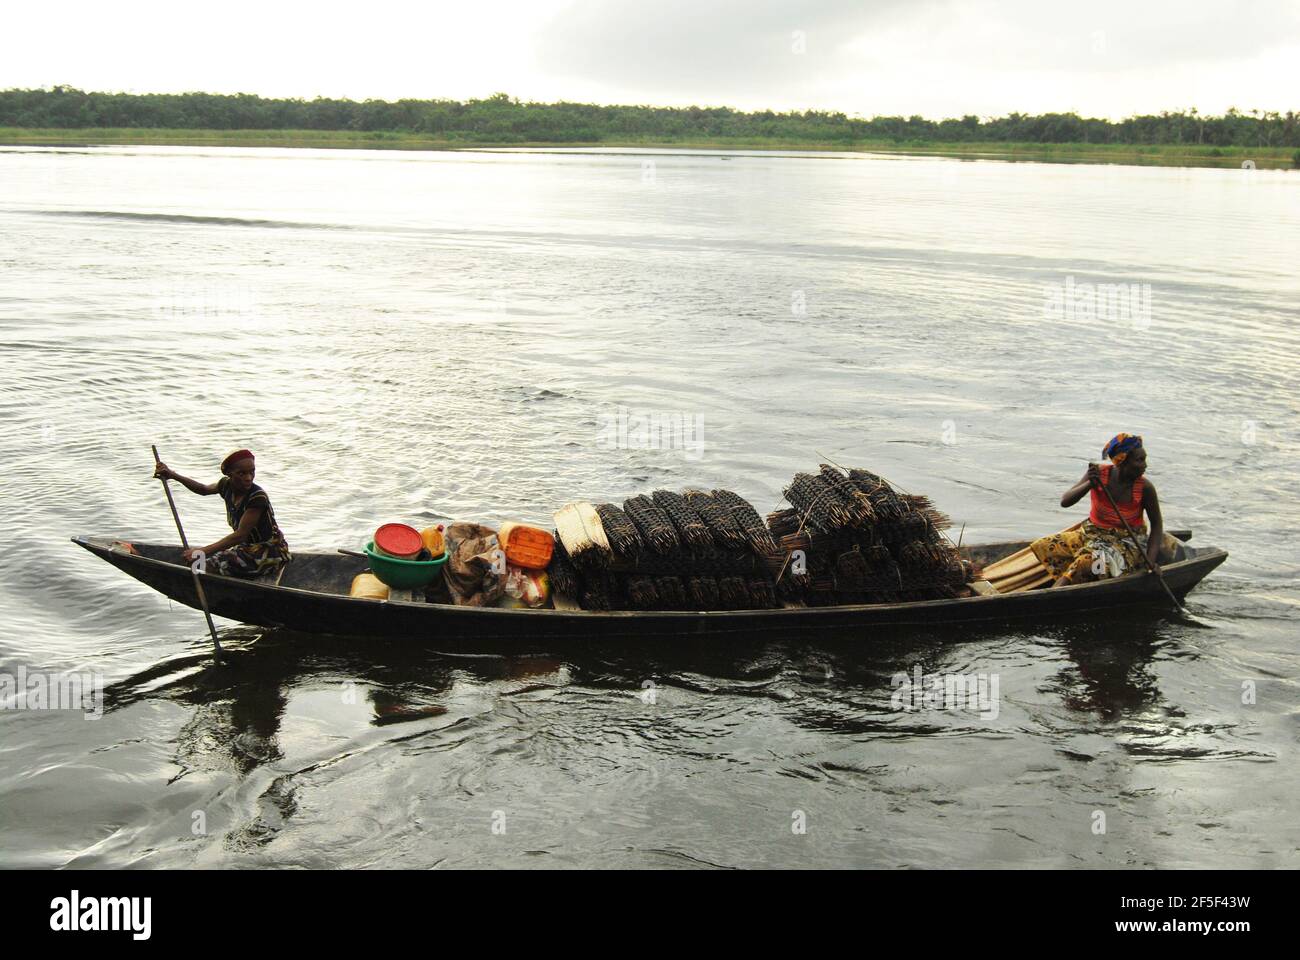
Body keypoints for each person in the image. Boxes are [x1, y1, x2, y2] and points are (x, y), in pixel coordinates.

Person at [1030, 433, 1175, 587]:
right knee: (1044, 545)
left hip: (1126, 543)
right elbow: (1065, 502)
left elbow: (1157, 525)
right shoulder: (1099, 474)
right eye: (1139, 460)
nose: (1145, 465)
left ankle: (1058, 590)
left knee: (1086, 562)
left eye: (1144, 459)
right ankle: (1080, 579)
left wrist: (1150, 563)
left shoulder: (1145, 488)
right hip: (1091, 534)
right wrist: (1089, 484)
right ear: (1122, 461)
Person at [152, 448, 291, 578]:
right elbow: (203, 489)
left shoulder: (257, 498)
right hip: (247, 548)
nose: (248, 478)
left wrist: (202, 551)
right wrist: (172, 475)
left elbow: (240, 536)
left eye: (252, 472)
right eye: (242, 473)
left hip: (268, 552)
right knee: (203, 562)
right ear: (230, 474)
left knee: (207, 564)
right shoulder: (226, 485)